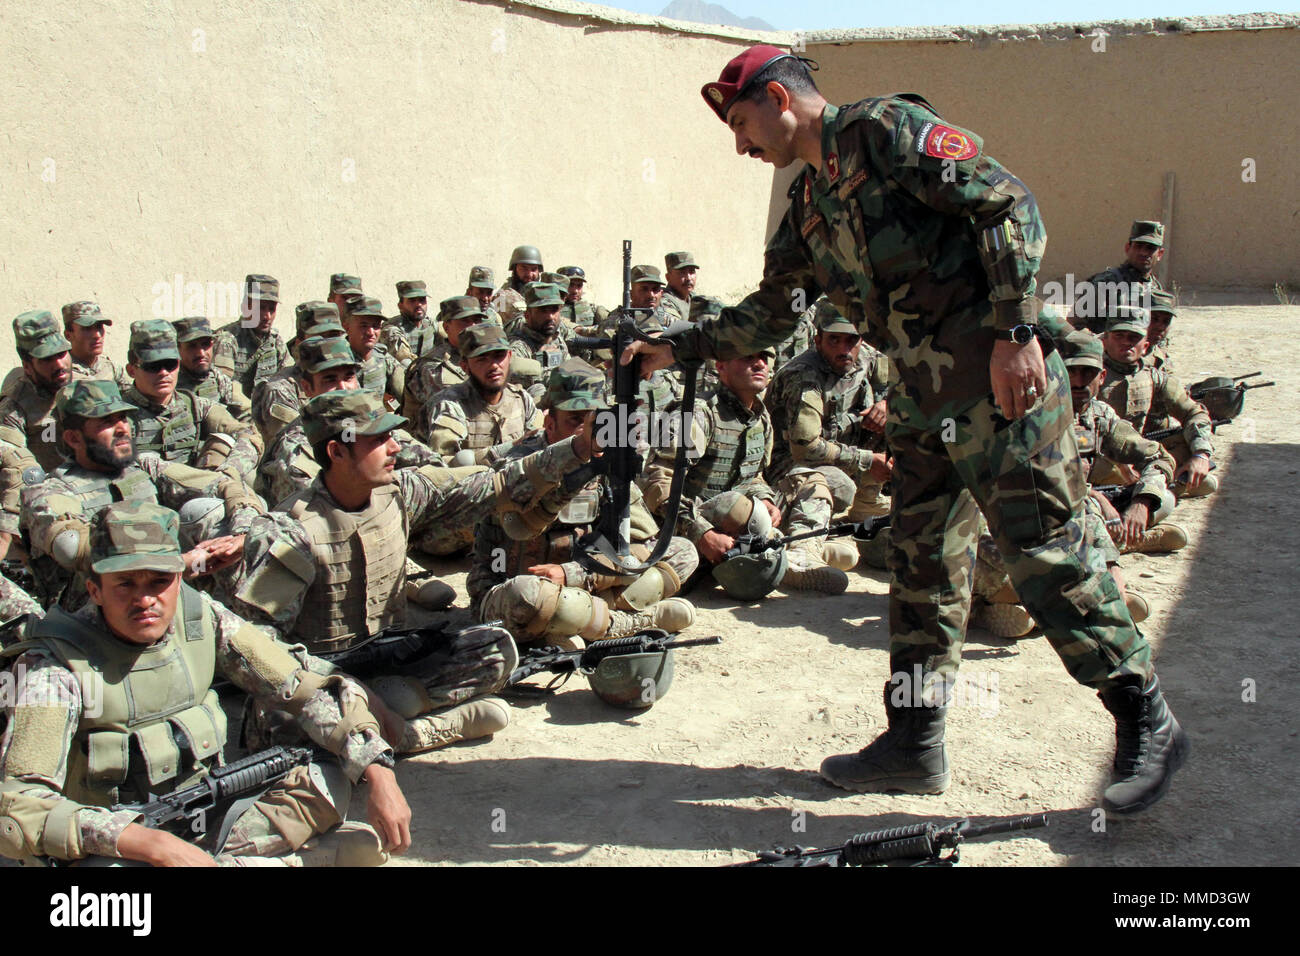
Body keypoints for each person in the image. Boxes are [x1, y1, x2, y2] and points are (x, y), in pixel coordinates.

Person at [623, 45, 1187, 814]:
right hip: (923, 406)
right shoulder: (810, 207)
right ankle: (914, 741)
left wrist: (1017, 332)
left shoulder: (886, 130)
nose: (743, 145)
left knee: (1046, 552)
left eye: (745, 124)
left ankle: (1145, 717)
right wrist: (674, 346)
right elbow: (772, 312)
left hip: (1001, 385)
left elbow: (1008, 204)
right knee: (921, 568)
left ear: (781, 100)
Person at [0, 500, 410, 866]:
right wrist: (144, 843)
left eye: (159, 581)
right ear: (96, 590)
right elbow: (19, 809)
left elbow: (302, 687)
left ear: (179, 579)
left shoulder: (201, 620)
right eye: (125, 583)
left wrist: (379, 772)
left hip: (206, 813)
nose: (145, 600)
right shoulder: (52, 668)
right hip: (116, 846)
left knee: (327, 779)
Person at [232, 389, 599, 754]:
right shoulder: (289, 532)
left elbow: (498, 484)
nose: (394, 448)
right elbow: (259, 648)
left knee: (494, 649)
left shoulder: (401, 493)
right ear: (337, 451)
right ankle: (413, 731)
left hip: (387, 660)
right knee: (277, 727)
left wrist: (580, 447)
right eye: (378, 439)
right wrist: (336, 685)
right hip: (318, 683)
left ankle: (379, 725)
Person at [469, 360, 697, 646]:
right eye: (575, 420)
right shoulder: (519, 465)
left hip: (578, 582)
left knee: (681, 551)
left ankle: (576, 622)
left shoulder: (606, 462)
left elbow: (643, 543)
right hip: (515, 589)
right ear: (549, 422)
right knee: (528, 596)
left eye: (593, 420)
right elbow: (517, 528)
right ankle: (632, 622)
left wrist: (573, 575)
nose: (585, 430)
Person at [21, 379, 262, 610]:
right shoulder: (50, 491)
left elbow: (224, 485)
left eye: (122, 418)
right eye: (106, 421)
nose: (122, 429)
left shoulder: (145, 467)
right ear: (73, 438)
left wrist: (241, 534)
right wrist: (175, 563)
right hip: (95, 608)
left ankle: (250, 610)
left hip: (165, 583)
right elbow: (73, 549)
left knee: (212, 512)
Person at [643, 348, 856, 595]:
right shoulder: (698, 413)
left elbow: (754, 475)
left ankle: (802, 551)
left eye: (764, 359)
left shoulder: (760, 416)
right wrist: (701, 532)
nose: (759, 365)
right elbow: (656, 482)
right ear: (721, 366)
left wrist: (765, 498)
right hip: (692, 522)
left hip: (742, 520)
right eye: (748, 357)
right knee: (737, 507)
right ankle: (776, 556)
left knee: (813, 480)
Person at [121, 320, 264, 484]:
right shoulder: (117, 419)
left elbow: (248, 433)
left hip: (203, 491)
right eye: (153, 366)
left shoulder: (195, 406)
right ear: (131, 370)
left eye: (170, 364)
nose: (163, 373)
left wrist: (230, 472)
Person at [1098, 305, 1215, 498]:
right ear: (1104, 341)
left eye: (1134, 338)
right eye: (1119, 336)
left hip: (1142, 453)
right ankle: (1168, 486)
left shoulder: (1154, 377)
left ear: (1145, 346)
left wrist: (1201, 455)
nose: (1126, 343)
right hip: (1101, 457)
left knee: (1183, 443)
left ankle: (1162, 484)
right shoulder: (1089, 375)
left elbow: (1193, 412)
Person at [250, 301, 348, 443]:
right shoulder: (279, 390)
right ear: (299, 344)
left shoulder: (347, 379)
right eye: (319, 338)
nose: (328, 345)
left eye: (333, 336)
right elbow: (296, 443)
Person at [0, 310, 73, 473]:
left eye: (62, 353)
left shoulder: (84, 382)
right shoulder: (14, 406)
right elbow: (12, 463)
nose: (60, 365)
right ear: (27, 366)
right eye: (47, 359)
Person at [1074, 220, 1166, 333]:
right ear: (1128, 248)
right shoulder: (1106, 283)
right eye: (1138, 246)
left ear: (1160, 254)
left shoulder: (1155, 288)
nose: (1143, 253)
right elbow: (1076, 324)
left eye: (1150, 248)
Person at [214, 274, 291, 395]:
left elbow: (291, 381)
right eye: (261, 308)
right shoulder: (227, 340)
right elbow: (222, 389)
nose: (267, 316)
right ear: (246, 306)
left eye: (272, 309)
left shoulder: (276, 342)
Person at [174, 316, 253, 424]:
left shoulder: (217, 378)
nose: (201, 353)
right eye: (192, 346)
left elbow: (246, 411)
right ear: (177, 349)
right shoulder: (169, 382)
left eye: (205, 344)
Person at [341, 294, 405, 407]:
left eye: (376, 326)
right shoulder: (337, 363)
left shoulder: (382, 357)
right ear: (346, 327)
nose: (371, 332)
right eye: (363, 325)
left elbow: (406, 392)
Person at [381, 280, 438, 365]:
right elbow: (405, 363)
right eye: (412, 300)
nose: (419, 304)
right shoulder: (392, 330)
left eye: (422, 300)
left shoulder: (432, 324)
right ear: (400, 306)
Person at [492, 245, 544, 330]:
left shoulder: (542, 294)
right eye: (524, 268)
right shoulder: (503, 296)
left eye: (534, 269)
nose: (529, 274)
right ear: (514, 269)